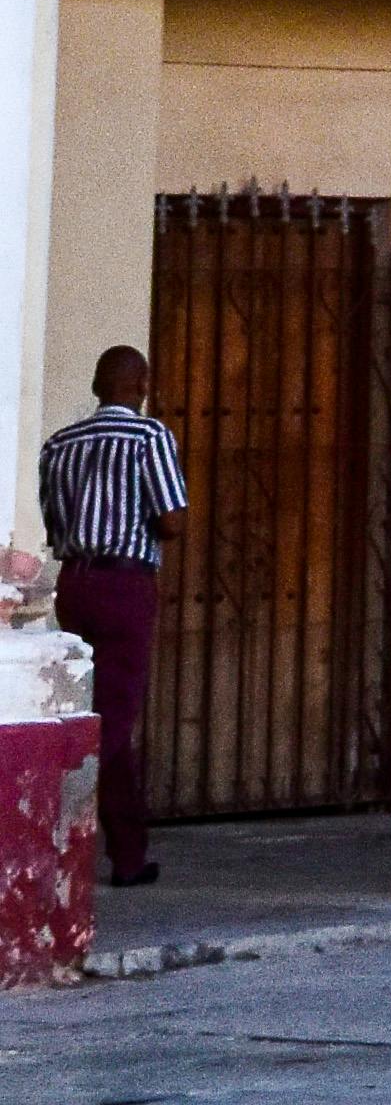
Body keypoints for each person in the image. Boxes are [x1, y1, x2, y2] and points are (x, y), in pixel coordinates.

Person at [39, 349, 183, 888]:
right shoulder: (150, 438)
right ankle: (106, 846)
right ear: (142, 383)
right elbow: (171, 520)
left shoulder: (59, 445)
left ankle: (119, 851)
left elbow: (55, 530)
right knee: (113, 722)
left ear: (97, 384)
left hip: (75, 583)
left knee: (84, 708)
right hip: (126, 584)